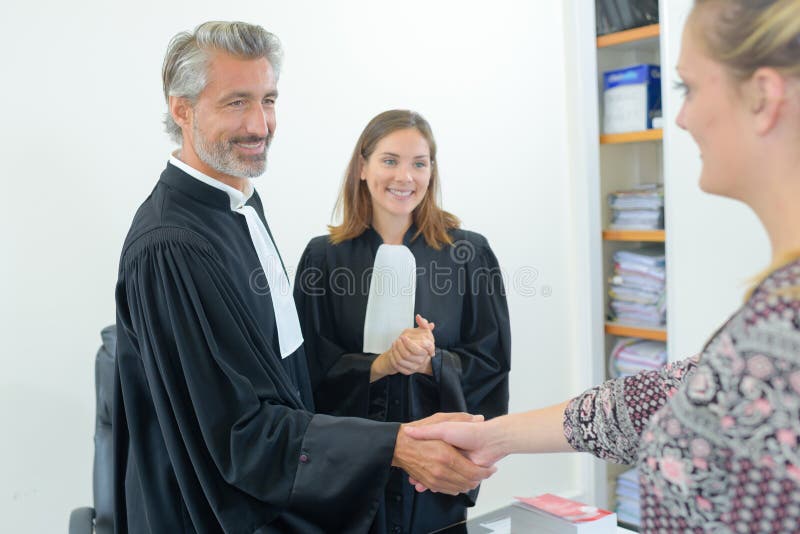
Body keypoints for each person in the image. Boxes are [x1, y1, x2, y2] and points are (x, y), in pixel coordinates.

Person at [407, 1, 800, 531]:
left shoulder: (781, 333)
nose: (679, 116)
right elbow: (668, 395)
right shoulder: (769, 323)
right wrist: (492, 436)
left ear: (763, 97)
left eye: (687, 88)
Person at [112, 21, 495, 534]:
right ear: (182, 109)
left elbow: (290, 378)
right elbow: (237, 435)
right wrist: (392, 445)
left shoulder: (240, 206)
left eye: (268, 99)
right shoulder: (172, 247)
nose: (260, 124)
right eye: (236, 102)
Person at [294, 110, 511, 533]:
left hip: (433, 478)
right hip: (348, 477)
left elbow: (492, 364)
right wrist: (380, 364)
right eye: (390, 160)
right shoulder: (322, 259)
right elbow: (303, 374)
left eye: (419, 162)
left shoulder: (468, 255)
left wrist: (434, 361)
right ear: (362, 167)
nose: (405, 176)